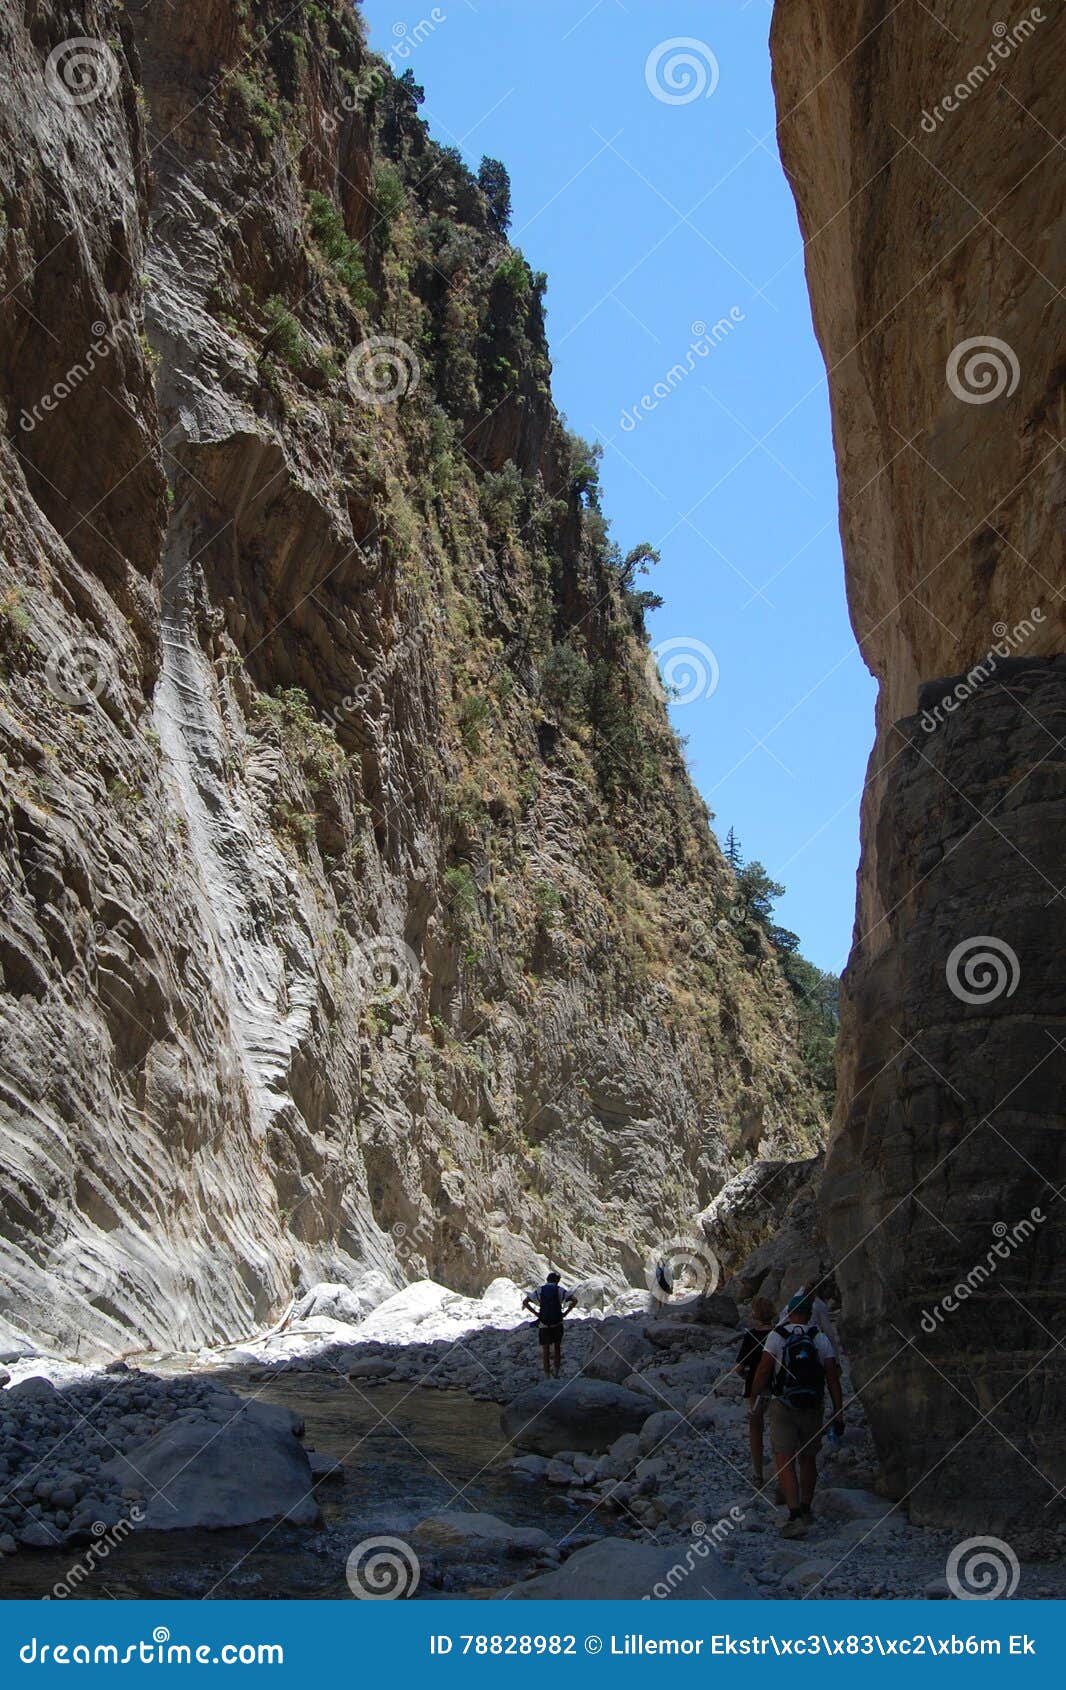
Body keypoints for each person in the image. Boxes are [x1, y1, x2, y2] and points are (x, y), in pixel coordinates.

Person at [750, 1291, 843, 1538]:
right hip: (813, 1404)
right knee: (808, 1458)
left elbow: (763, 1370)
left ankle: (793, 1514)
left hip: (784, 1404)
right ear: (809, 1315)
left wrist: (755, 1398)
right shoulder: (819, 1338)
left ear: (789, 1313)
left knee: (784, 1457)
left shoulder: (777, 1336)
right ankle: (806, 1508)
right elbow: (833, 1378)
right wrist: (838, 1411)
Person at [733, 1296, 776, 1489]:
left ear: (755, 1314)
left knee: (756, 1431)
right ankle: (781, 1473)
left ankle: (758, 1475)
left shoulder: (750, 1336)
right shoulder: (778, 1334)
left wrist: (747, 1377)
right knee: (777, 1431)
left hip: (754, 1388)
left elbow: (739, 1367)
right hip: (776, 1387)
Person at [522, 1272, 577, 1378]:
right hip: (557, 1323)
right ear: (557, 1281)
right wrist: (565, 1313)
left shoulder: (540, 1290)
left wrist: (537, 1314)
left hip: (544, 1323)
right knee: (557, 1347)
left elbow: (525, 1302)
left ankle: (547, 1375)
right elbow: (574, 1300)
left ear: (547, 1280)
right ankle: (556, 1372)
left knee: (545, 1350)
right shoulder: (559, 1290)